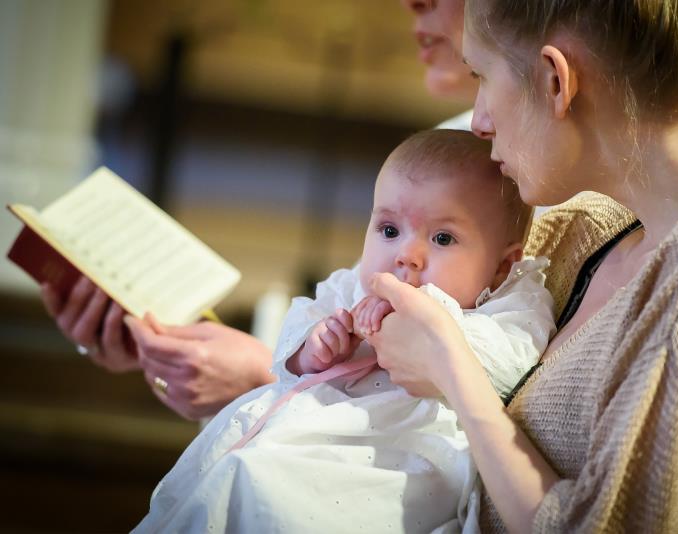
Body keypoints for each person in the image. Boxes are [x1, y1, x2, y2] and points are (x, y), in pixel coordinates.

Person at [359, 0, 678, 531]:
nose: (478, 121)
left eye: (482, 75)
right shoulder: (586, 228)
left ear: (555, 80)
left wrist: (450, 368)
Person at [38, 0, 478, 421]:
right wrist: (166, 344)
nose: (413, 3)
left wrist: (257, 376)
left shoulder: (500, 180)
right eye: (387, 229)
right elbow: (341, 315)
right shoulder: (440, 145)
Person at [132, 129, 555, 532]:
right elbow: (294, 334)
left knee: (261, 486)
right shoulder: (351, 288)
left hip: (396, 465)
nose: (406, 254)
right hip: (303, 439)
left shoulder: (511, 304)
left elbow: (509, 372)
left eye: (443, 238)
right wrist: (313, 346)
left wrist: (428, 316)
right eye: (389, 230)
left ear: (502, 266)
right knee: (232, 477)